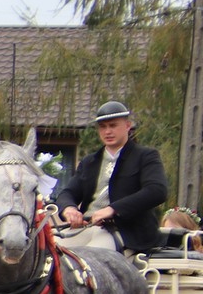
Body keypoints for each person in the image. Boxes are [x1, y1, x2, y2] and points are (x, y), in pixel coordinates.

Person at [56, 100, 168, 256]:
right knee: (50, 255)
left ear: (128, 126)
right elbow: (67, 193)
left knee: (89, 259)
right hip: (87, 227)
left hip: (126, 232)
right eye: (103, 127)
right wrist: (69, 209)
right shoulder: (90, 162)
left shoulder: (145, 156)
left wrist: (113, 209)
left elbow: (157, 191)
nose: (107, 131)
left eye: (113, 125)